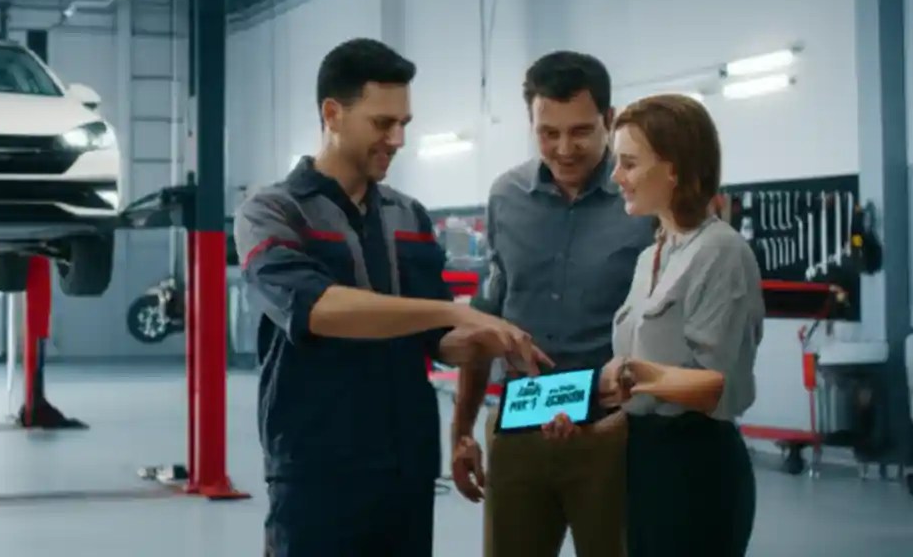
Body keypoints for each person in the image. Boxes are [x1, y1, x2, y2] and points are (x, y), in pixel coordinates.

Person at [233, 37, 553, 557]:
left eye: (404, 123)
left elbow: (438, 341)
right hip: (316, 465)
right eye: (383, 123)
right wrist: (453, 309)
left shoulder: (408, 215)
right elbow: (315, 309)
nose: (398, 138)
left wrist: (491, 339)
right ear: (333, 114)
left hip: (405, 464)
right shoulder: (272, 212)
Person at [447, 51, 656, 557]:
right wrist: (462, 431)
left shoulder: (643, 203)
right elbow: (485, 319)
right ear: (531, 124)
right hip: (520, 423)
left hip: (613, 432)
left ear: (610, 120)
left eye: (581, 131)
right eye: (548, 132)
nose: (564, 149)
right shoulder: (506, 197)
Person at [545, 93, 764, 557]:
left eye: (628, 163)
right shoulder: (651, 256)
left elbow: (715, 389)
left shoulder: (721, 253)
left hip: (696, 472)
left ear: (674, 170)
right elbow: (642, 391)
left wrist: (634, 376)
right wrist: (591, 421)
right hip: (641, 462)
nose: (616, 177)